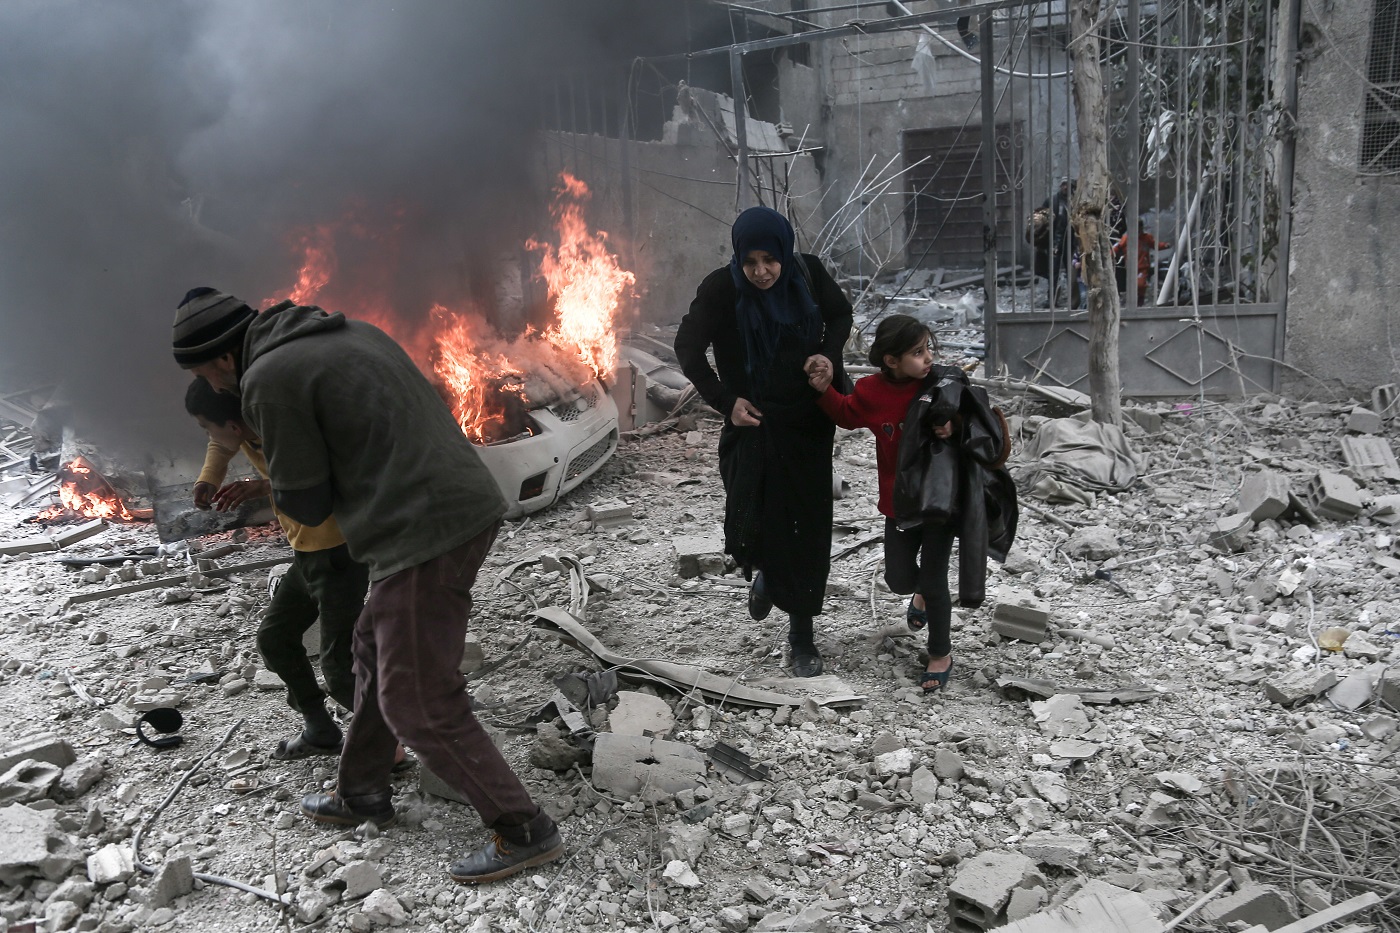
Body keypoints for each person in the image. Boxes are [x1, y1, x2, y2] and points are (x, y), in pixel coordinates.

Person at [171, 287, 562, 884]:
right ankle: (362, 791)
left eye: (208, 375)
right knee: (371, 649)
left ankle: (522, 828)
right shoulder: (347, 331)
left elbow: (305, 496)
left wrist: (271, 479)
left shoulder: (267, 376)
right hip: (455, 502)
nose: (218, 390)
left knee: (419, 700)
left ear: (223, 360)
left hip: (422, 529)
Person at [674, 206, 853, 678]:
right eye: (750, 261)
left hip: (806, 422)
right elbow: (687, 348)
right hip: (751, 422)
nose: (761, 271)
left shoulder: (809, 274)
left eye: (769, 259)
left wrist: (828, 357)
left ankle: (802, 636)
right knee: (748, 514)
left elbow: (839, 314)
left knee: (806, 526)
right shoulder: (721, 288)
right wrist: (723, 399)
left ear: (783, 253)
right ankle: (764, 572)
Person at [185, 378, 370, 760]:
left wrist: (264, 487)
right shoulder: (243, 431)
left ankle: (394, 743)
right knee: (275, 638)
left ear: (235, 425)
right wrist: (207, 479)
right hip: (307, 554)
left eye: (207, 425)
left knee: (338, 669)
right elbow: (220, 443)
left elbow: (325, 474)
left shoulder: (284, 432)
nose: (209, 435)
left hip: (337, 553)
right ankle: (320, 728)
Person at [806, 315, 959, 691]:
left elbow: (973, 419)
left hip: (941, 501)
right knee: (899, 578)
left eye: (928, 350)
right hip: (899, 504)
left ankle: (940, 652)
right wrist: (824, 389)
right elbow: (846, 413)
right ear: (891, 360)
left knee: (935, 577)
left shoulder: (942, 384)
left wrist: (953, 425)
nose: (927, 358)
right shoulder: (873, 391)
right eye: (917, 352)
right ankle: (920, 593)